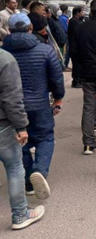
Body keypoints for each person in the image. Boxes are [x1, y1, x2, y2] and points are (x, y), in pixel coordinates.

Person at [3, 13, 65, 201]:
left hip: (12, 107)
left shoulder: (3, 53)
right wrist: (58, 98)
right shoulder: (45, 50)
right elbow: (56, 78)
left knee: (20, 142)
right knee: (45, 138)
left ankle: (29, 182)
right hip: (40, 105)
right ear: (30, 28)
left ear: (9, 31)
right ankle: (39, 171)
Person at [0, 48, 46, 230]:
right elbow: (12, 99)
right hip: (3, 124)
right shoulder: (5, 59)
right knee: (14, 167)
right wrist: (21, 126)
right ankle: (20, 214)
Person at [72, 0, 96, 155]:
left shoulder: (80, 27)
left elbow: (75, 52)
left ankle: (88, 144)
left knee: (89, 108)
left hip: (87, 74)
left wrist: (79, 70)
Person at [67, 6, 85, 88]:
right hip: (75, 48)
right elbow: (78, 34)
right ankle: (76, 81)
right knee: (77, 66)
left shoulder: (77, 21)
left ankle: (78, 80)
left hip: (77, 47)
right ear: (77, 13)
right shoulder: (74, 22)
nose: (83, 14)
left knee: (78, 65)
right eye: (82, 12)